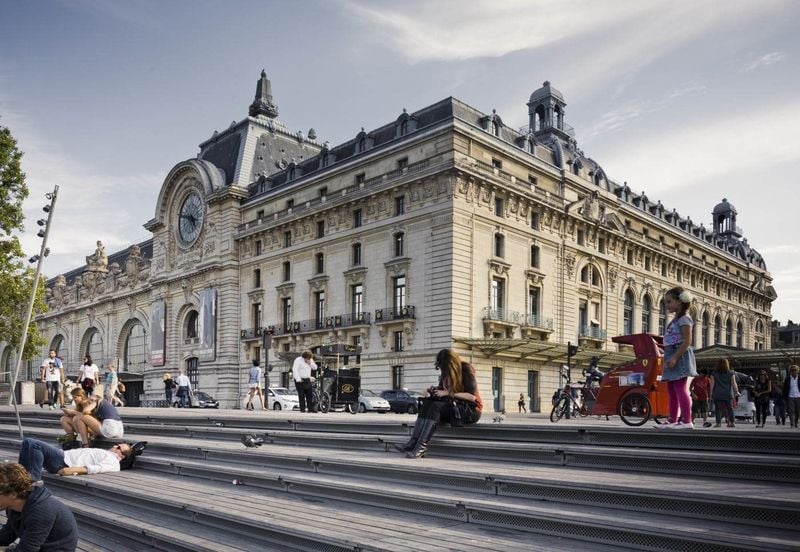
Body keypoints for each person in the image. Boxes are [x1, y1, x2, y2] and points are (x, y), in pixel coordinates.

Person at [393, 349, 482, 459]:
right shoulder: (446, 373)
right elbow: (442, 391)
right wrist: (432, 391)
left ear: (451, 364)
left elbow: (472, 397)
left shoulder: (465, 369)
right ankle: (413, 442)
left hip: (471, 410)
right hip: (454, 407)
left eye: (444, 367)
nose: (443, 370)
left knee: (435, 407)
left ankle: (421, 447)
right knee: (427, 403)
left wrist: (448, 393)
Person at [0, 462, 78, 551]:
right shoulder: (13, 507)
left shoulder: (41, 511)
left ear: (13, 494)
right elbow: (7, 535)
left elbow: (27, 550)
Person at [659, 287, 697, 429]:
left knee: (680, 388)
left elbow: (687, 341)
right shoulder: (676, 319)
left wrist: (675, 357)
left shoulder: (685, 319)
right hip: (671, 354)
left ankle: (687, 420)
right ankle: (672, 419)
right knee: (671, 389)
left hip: (679, 355)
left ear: (680, 302)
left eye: (669, 302)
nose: (667, 305)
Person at [18, 438, 136, 482]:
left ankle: (32, 481)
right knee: (26, 443)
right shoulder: (108, 454)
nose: (115, 446)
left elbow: (96, 468)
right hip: (62, 456)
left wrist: (70, 471)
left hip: (63, 461)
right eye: (117, 444)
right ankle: (20, 476)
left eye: (119, 447)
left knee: (32, 443)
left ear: (122, 456)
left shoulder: (113, 462)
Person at [60, 388, 124, 445]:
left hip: (108, 428)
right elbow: (71, 415)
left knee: (78, 418)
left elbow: (85, 412)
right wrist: (67, 411)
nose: (90, 401)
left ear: (81, 396)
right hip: (117, 429)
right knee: (64, 419)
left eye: (75, 397)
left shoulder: (96, 401)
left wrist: (73, 412)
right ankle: (72, 439)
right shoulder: (81, 405)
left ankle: (84, 443)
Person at [710, 358, 739, 428]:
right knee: (730, 409)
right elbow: (734, 383)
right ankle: (732, 423)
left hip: (718, 393)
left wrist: (710, 393)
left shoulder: (714, 373)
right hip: (728, 393)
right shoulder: (731, 373)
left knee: (718, 409)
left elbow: (712, 384)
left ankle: (718, 423)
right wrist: (736, 391)